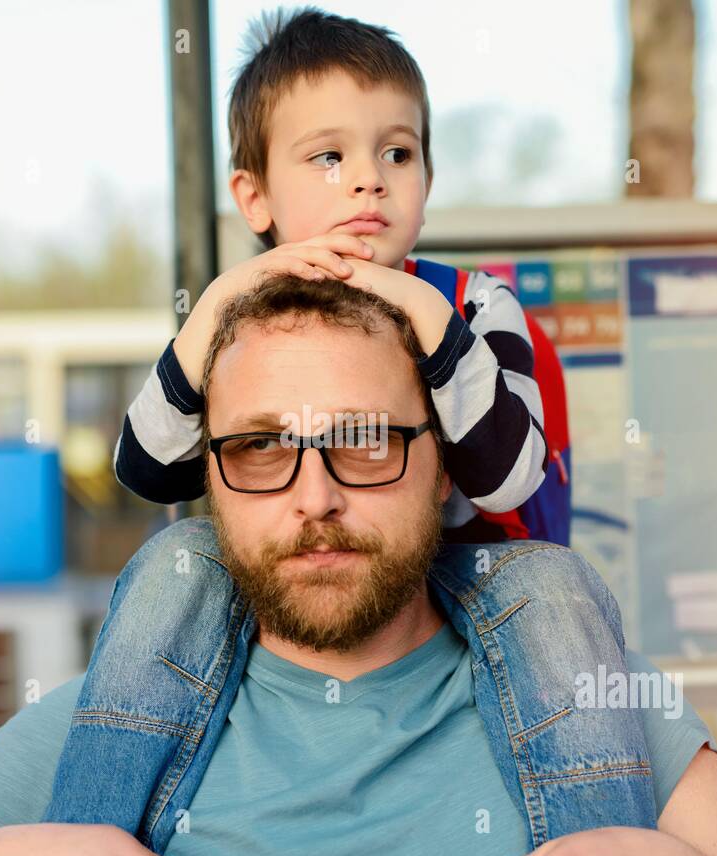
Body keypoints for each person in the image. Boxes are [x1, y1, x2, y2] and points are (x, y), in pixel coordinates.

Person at [0, 275, 717, 856]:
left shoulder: (593, 697)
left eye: (367, 442)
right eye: (257, 447)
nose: (314, 496)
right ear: (207, 471)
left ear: (445, 458)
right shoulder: (113, 717)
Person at [116, 6, 557, 541]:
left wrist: (423, 309)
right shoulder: (237, 317)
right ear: (255, 199)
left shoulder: (475, 303)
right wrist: (216, 302)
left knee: (551, 582)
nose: (369, 178)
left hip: (461, 573)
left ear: (428, 180)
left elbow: (511, 481)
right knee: (174, 558)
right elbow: (148, 471)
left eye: (397, 153)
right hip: (293, 556)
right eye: (329, 156)